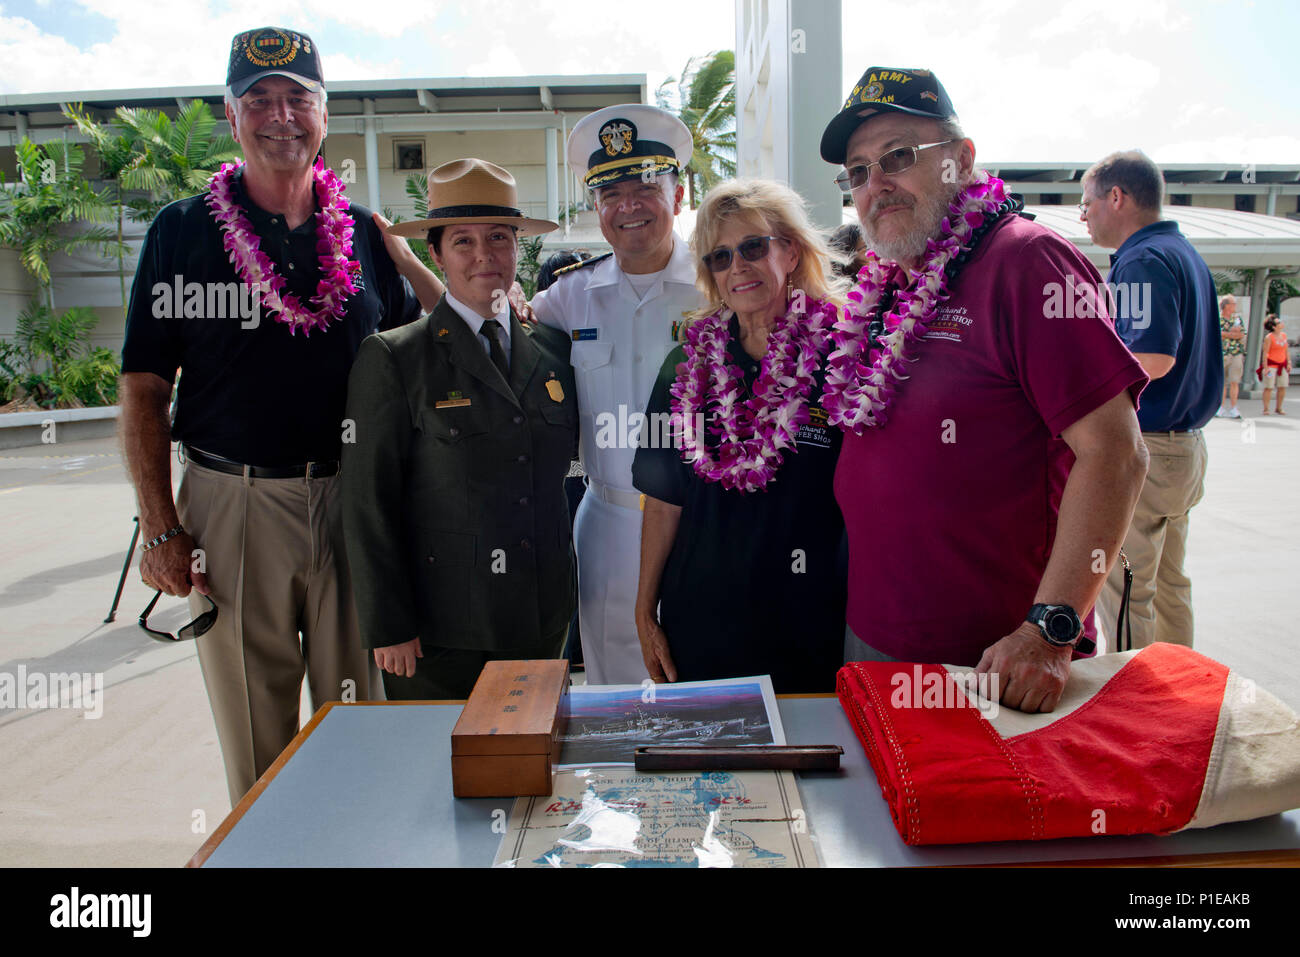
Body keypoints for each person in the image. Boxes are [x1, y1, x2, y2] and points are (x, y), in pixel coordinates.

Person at [120, 27, 444, 805]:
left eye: (299, 97)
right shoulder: (182, 232)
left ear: (324, 115)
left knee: (361, 723)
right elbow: (142, 391)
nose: (281, 115)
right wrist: (161, 527)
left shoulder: (363, 233)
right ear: (232, 118)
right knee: (257, 739)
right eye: (258, 100)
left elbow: (440, 343)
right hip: (233, 509)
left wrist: (405, 257)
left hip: (352, 503)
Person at [819, 67, 1149, 712]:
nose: (875, 184)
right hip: (874, 640)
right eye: (857, 172)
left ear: (962, 160)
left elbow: (1116, 454)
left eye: (897, 156)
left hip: (996, 660)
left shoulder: (1027, 260)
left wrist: (1050, 631)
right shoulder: (886, 286)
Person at [341, 159, 578, 698]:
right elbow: (366, 501)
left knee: (535, 769)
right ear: (436, 254)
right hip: (442, 631)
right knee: (438, 775)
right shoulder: (396, 357)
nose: (484, 255)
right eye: (463, 241)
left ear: (519, 247)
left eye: (498, 236)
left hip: (541, 617)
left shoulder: (551, 351)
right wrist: (390, 624)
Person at [632, 180, 847, 693]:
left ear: (790, 251)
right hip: (701, 617)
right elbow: (663, 502)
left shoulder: (844, 356)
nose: (738, 267)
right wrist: (643, 612)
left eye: (754, 247)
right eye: (720, 258)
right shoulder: (684, 365)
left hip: (810, 616)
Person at [529, 104, 702, 685]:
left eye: (644, 186)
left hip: (700, 520)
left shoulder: (719, 283)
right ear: (595, 208)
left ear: (678, 196)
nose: (627, 205)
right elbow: (491, 335)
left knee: (698, 682)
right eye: (609, 192)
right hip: (606, 518)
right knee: (613, 691)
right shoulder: (569, 296)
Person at [1081, 149, 1221, 650]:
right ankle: (1181, 688)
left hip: (1149, 448)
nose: (1084, 214)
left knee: (1125, 589)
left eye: (1088, 202)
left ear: (1116, 197)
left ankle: (1131, 699)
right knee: (1169, 585)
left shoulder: (1141, 259)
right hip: (1185, 450)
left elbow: (1153, 357)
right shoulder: (1184, 254)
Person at [1218, 294, 1246, 418]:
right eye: (1233, 303)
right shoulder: (1217, 318)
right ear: (1226, 305)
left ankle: (1234, 408)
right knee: (1222, 382)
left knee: (1234, 381)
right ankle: (1220, 407)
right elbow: (1217, 333)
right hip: (1221, 353)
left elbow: (1241, 334)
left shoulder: (1238, 319)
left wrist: (1227, 334)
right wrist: (1232, 333)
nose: (1235, 306)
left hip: (1236, 354)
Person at [1259, 315, 1291, 415]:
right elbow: (1265, 352)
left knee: (1282, 387)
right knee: (1269, 387)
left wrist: (1288, 362)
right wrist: (1266, 367)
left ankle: (1279, 408)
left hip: (1282, 365)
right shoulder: (1269, 337)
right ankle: (1266, 408)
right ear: (1273, 326)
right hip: (1271, 365)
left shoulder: (1284, 335)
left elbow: (1286, 350)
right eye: (1279, 322)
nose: (1281, 323)